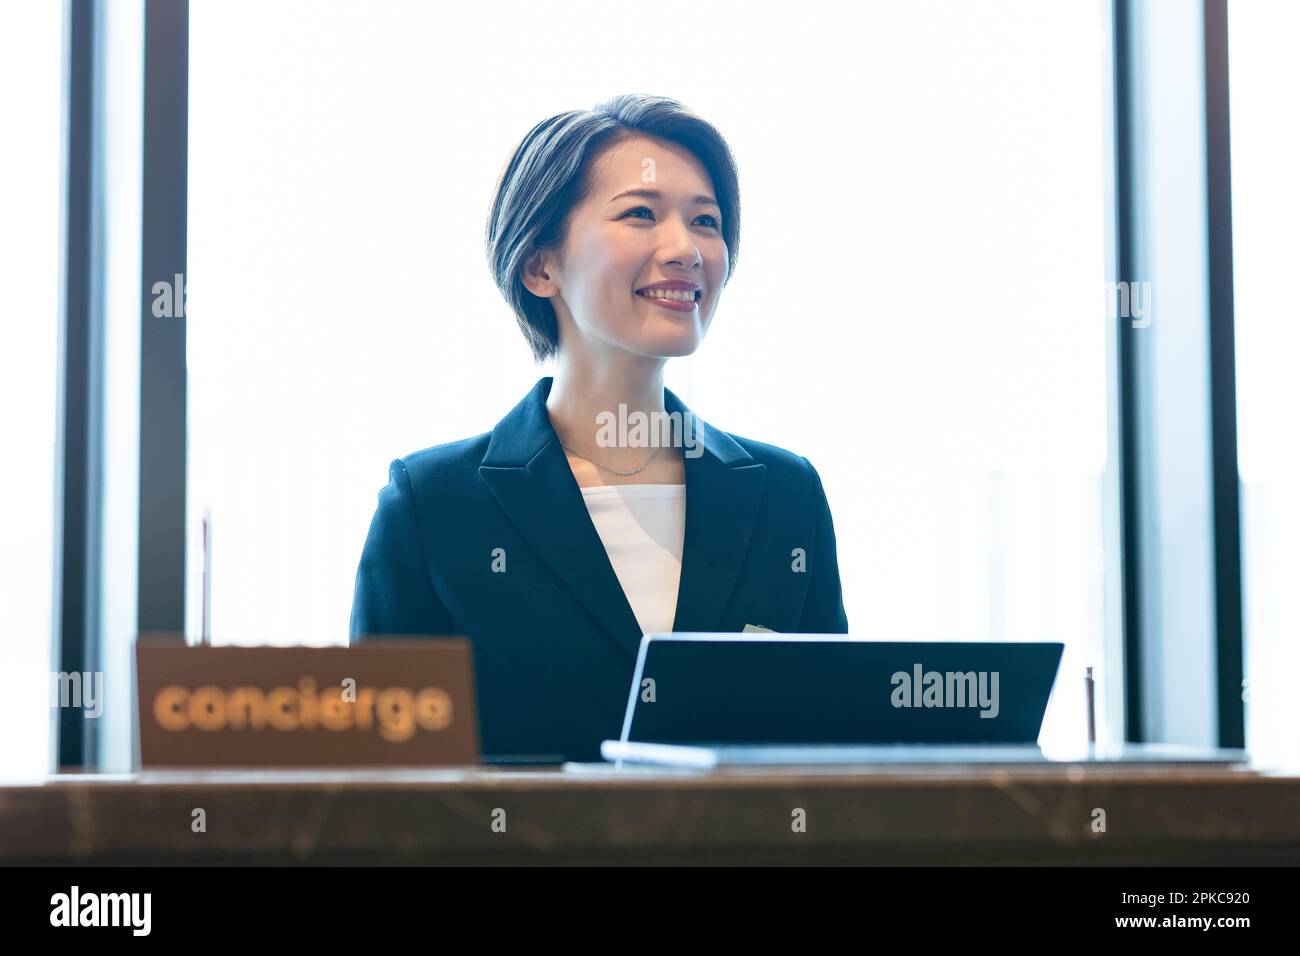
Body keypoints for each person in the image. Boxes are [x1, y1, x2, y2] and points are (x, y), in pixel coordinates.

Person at [350, 94, 847, 762]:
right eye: (642, 214)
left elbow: (834, 746)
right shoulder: (433, 505)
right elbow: (382, 780)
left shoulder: (788, 495)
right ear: (539, 264)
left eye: (706, 221)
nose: (686, 250)